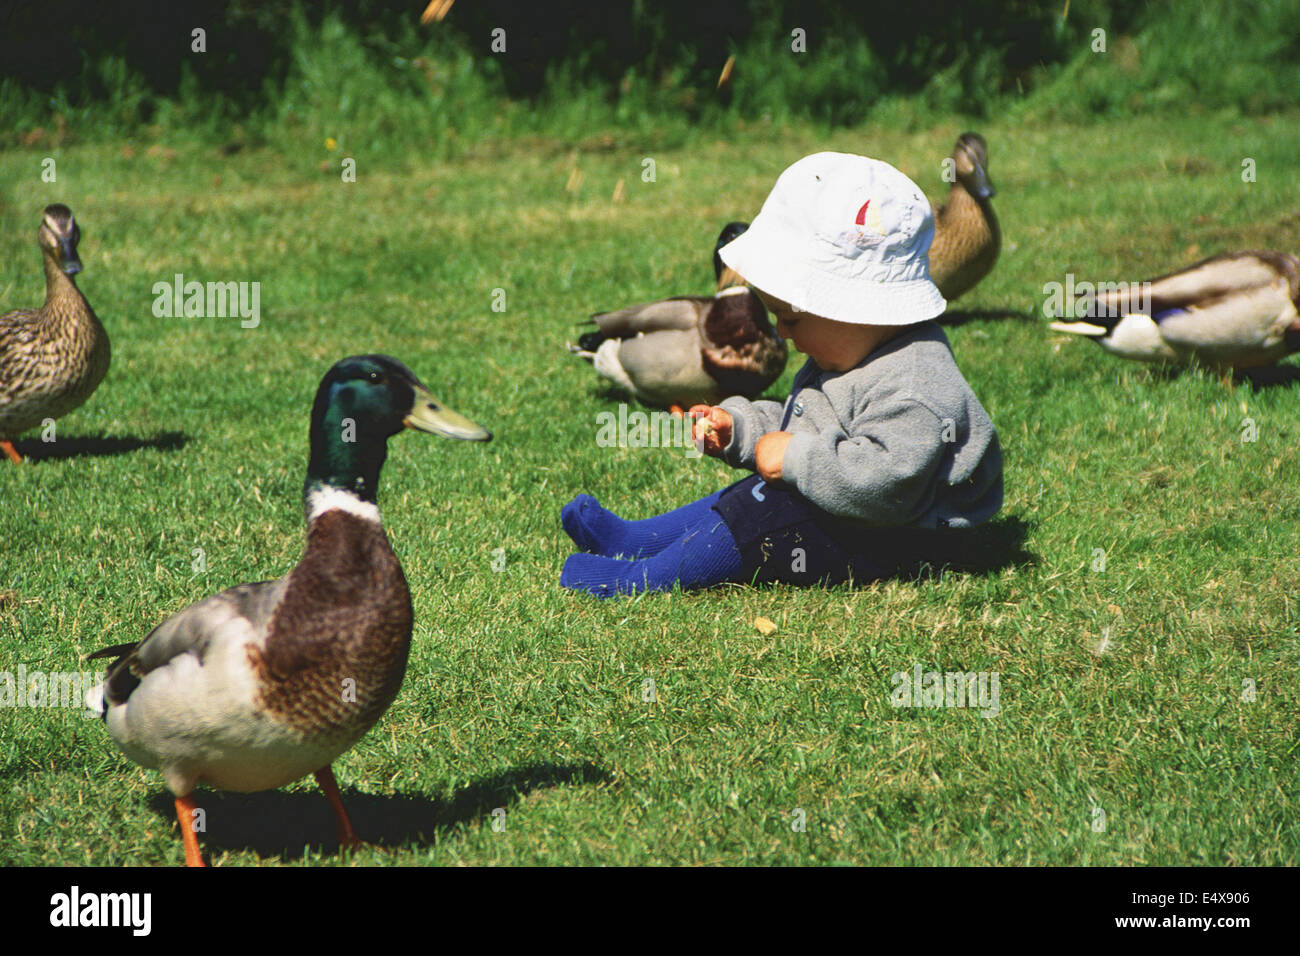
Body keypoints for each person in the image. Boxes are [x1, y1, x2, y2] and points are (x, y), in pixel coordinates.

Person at [560, 152, 1002, 597]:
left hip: (902, 536)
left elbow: (886, 484)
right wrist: (741, 428)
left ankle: (639, 581)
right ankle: (638, 542)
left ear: (856, 307)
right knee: (757, 492)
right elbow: (807, 424)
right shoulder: (854, 350)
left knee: (765, 511)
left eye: (791, 318)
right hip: (863, 512)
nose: (782, 335)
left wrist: (796, 459)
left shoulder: (914, 387)